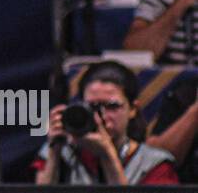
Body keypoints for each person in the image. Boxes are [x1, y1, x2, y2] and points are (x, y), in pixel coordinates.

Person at [33, 61, 178, 185]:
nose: (101, 116)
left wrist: (107, 155)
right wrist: (54, 152)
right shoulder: (62, 153)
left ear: (133, 109)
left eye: (112, 106)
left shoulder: (154, 164)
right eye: (92, 107)